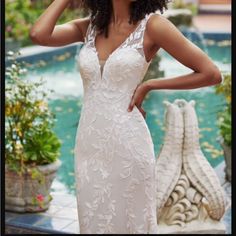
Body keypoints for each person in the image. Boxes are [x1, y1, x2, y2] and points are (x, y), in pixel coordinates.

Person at [30, 0, 222, 234]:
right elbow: (38, 34)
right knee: (94, 223)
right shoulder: (89, 27)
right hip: (89, 148)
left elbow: (211, 73)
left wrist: (150, 84)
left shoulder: (153, 26)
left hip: (129, 146)